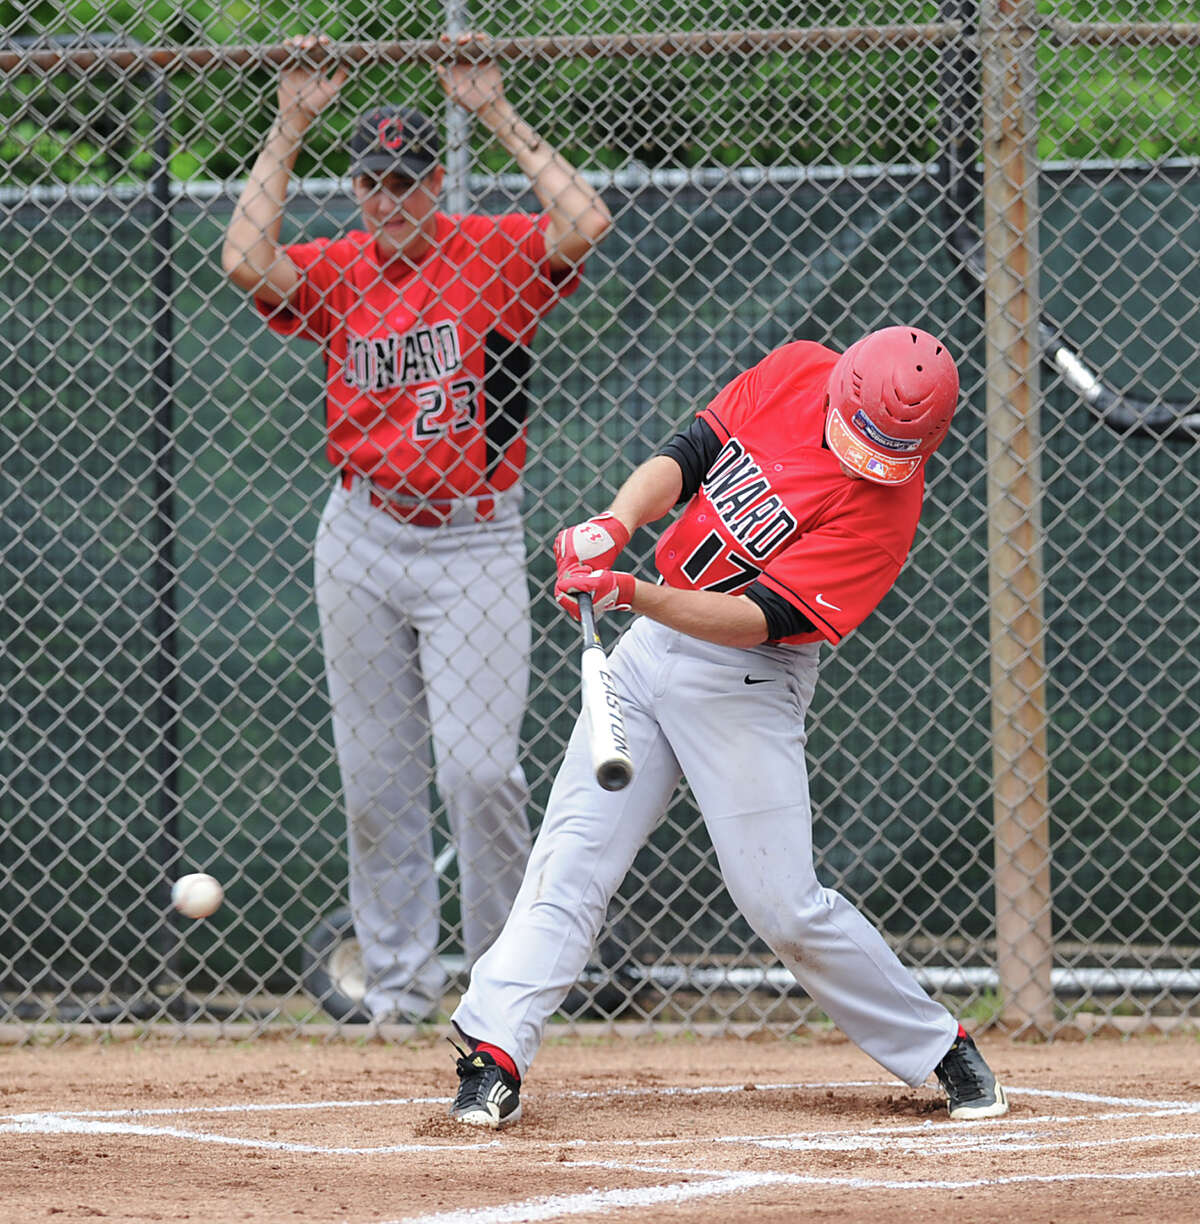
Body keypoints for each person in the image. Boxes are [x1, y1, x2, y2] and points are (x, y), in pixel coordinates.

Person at [446, 325, 1009, 1126]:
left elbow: (754, 619)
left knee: (784, 906)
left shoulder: (887, 513)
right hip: (644, 656)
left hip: (746, 680)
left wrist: (629, 592)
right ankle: (494, 1054)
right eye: (862, 432)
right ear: (843, 386)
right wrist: (617, 523)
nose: (865, 456)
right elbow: (688, 453)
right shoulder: (797, 371)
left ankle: (937, 1046)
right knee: (571, 859)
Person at [221, 32, 613, 1022]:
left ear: (435, 183)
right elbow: (243, 260)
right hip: (360, 536)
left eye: (406, 181)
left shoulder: (490, 251)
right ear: (352, 185)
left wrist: (492, 110)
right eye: (372, 182)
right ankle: (398, 991)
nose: (388, 200)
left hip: (474, 541)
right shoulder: (341, 266)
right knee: (377, 781)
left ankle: (505, 988)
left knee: (481, 773)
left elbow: (585, 219)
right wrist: (289, 125)